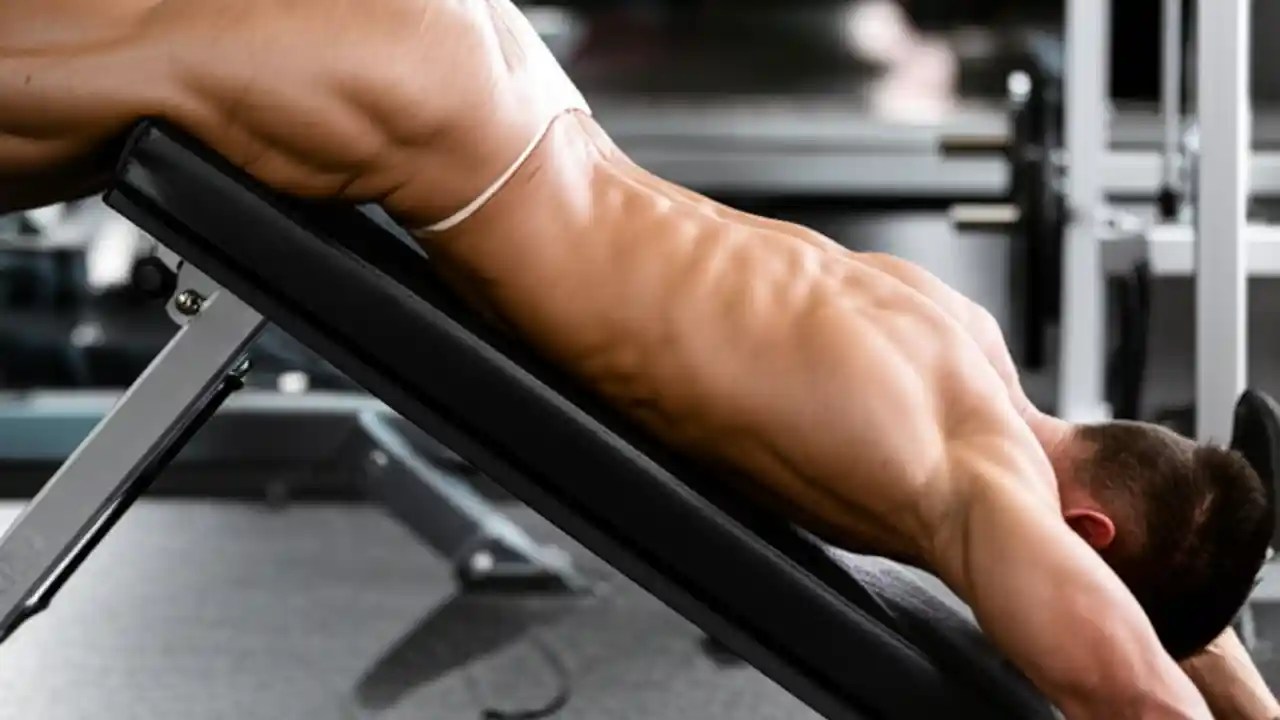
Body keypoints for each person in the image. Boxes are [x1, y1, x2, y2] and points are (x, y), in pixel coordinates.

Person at [0, 1, 1275, 717]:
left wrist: (1206, 602)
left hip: (498, 78)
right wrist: (1189, 642)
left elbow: (1147, 614)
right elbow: (1131, 702)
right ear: (1088, 538)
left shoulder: (965, 352)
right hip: (450, 130)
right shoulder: (984, 492)